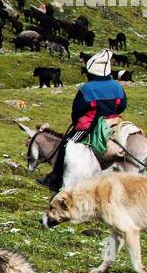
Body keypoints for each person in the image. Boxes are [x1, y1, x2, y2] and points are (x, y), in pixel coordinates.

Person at [45, 49, 127, 190]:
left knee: (66, 143)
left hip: (91, 124)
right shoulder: (117, 86)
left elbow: (77, 110)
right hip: (114, 121)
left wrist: (77, 120)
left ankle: (55, 178)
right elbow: (122, 106)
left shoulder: (87, 89)